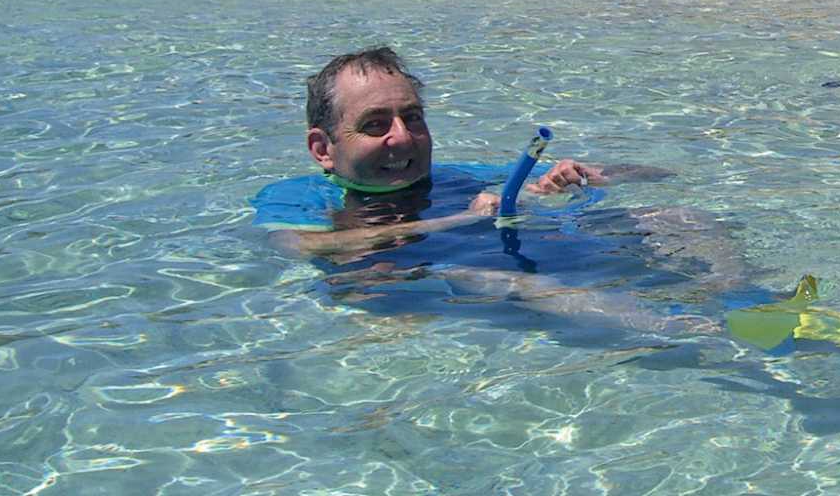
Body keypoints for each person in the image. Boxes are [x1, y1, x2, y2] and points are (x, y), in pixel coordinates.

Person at [249, 46, 737, 331]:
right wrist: (458, 220)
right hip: (447, 280)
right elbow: (303, 247)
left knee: (677, 218)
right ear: (323, 148)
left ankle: (742, 301)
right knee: (510, 283)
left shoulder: (459, 176)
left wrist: (584, 173)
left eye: (412, 117)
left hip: (554, 251)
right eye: (376, 124)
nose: (402, 136)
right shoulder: (300, 198)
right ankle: (693, 332)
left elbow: (656, 172)